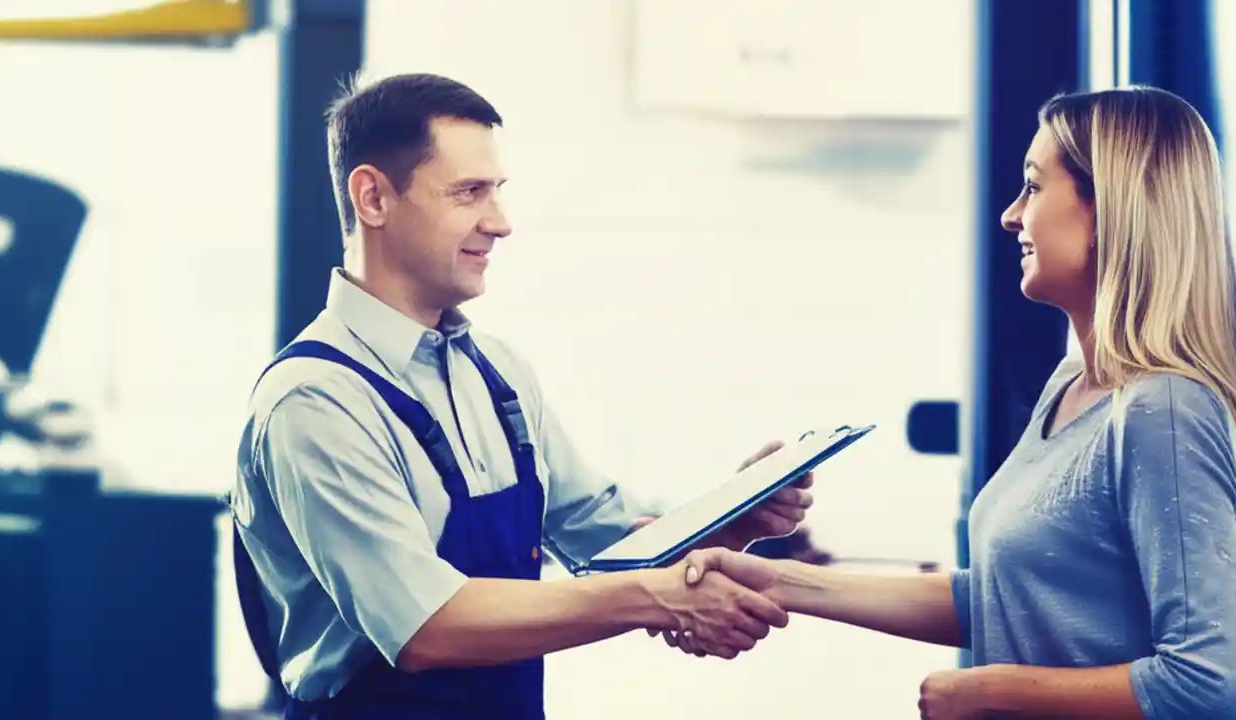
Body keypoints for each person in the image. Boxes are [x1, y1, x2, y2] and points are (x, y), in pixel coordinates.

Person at [227, 72, 813, 720]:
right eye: (468, 192)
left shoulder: (498, 374)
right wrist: (658, 599)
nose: (500, 223)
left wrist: (731, 519)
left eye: (497, 191)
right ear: (373, 198)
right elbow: (427, 626)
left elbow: (606, 539)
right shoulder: (315, 402)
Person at [675, 86, 1236, 719]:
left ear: (1110, 207)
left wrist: (988, 691)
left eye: (1033, 187)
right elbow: (1006, 597)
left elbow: (1208, 682)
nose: (1011, 215)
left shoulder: (1166, 410)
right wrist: (781, 581)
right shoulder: (1071, 386)